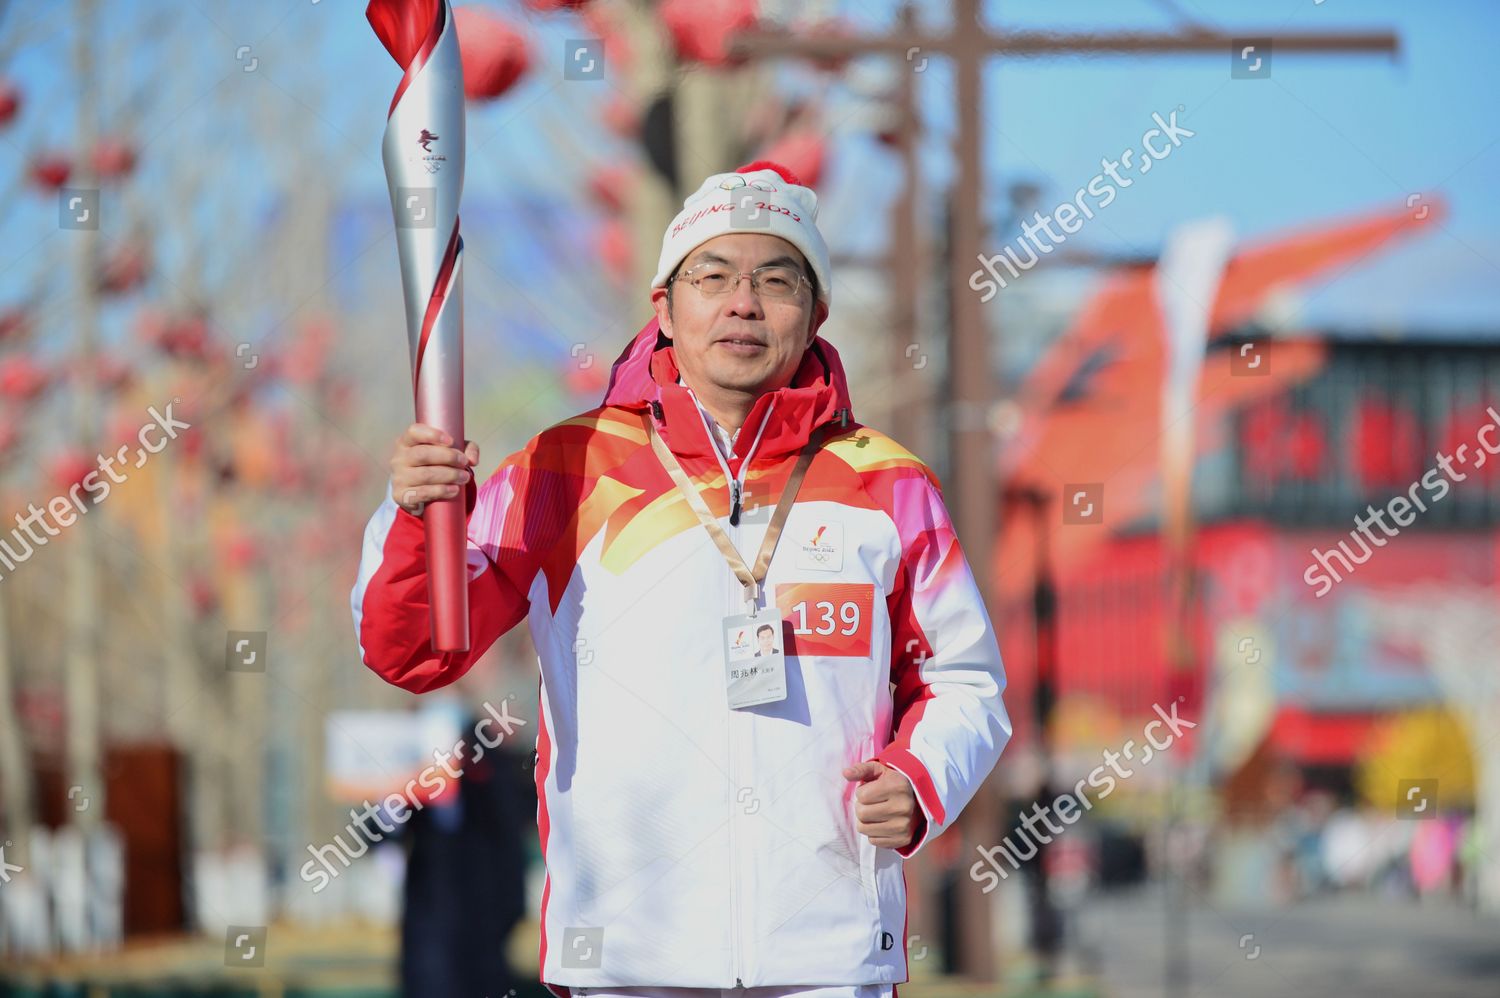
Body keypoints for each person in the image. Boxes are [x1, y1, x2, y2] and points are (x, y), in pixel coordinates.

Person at [352, 161, 1012, 998]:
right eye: (713, 277)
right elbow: (413, 650)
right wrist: (417, 517)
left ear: (815, 314)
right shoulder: (566, 469)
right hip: (626, 954)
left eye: (777, 280)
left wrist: (921, 780)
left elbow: (964, 680)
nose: (744, 303)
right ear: (664, 307)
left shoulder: (887, 484)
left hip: (826, 955)